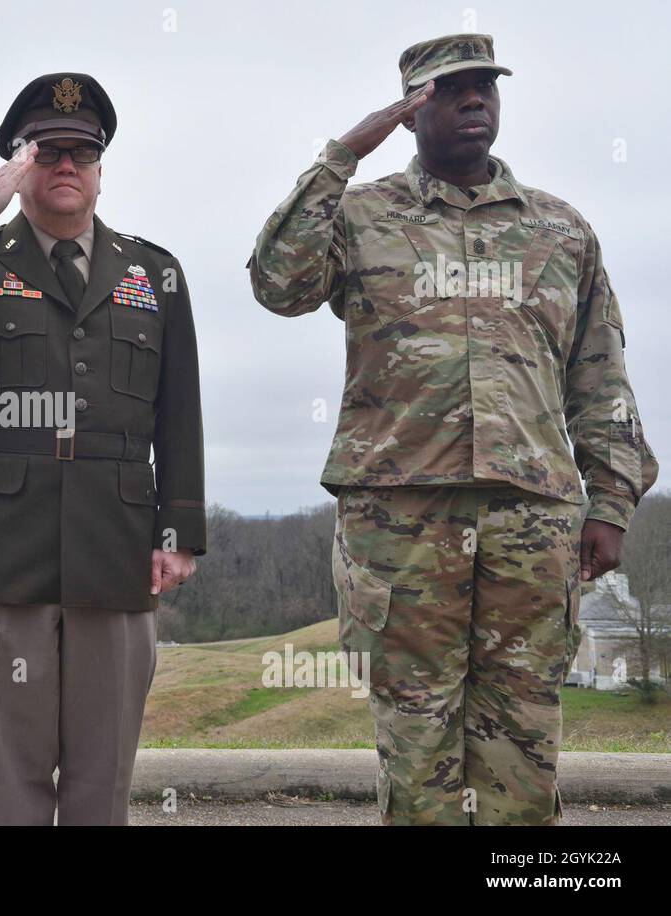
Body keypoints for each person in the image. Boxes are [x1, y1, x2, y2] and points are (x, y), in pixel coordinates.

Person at [248, 33, 658, 825]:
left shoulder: (560, 231)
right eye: (449, 90)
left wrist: (611, 504)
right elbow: (277, 284)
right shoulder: (361, 217)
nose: (473, 100)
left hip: (531, 524)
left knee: (523, 744)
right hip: (401, 525)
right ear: (410, 111)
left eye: (485, 87)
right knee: (416, 743)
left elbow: (600, 377)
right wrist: (339, 156)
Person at [0, 73, 206, 825]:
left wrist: (179, 532)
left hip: (116, 547)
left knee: (102, 781)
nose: (66, 167)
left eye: (81, 153)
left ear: (100, 168)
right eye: (47, 152)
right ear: (17, 165)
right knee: (11, 781)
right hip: (1, 549)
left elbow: (179, 409)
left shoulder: (154, 272)